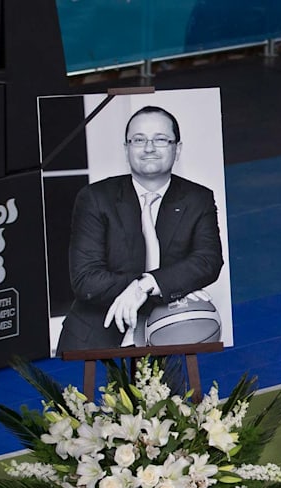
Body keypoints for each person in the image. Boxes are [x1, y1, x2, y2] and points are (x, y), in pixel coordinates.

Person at [57, 105, 224, 352]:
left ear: (177, 149)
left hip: (170, 333)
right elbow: (86, 279)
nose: (148, 148)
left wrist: (143, 286)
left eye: (160, 140)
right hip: (94, 336)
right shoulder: (95, 198)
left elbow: (208, 261)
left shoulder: (198, 198)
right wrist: (168, 285)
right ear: (126, 149)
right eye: (138, 140)